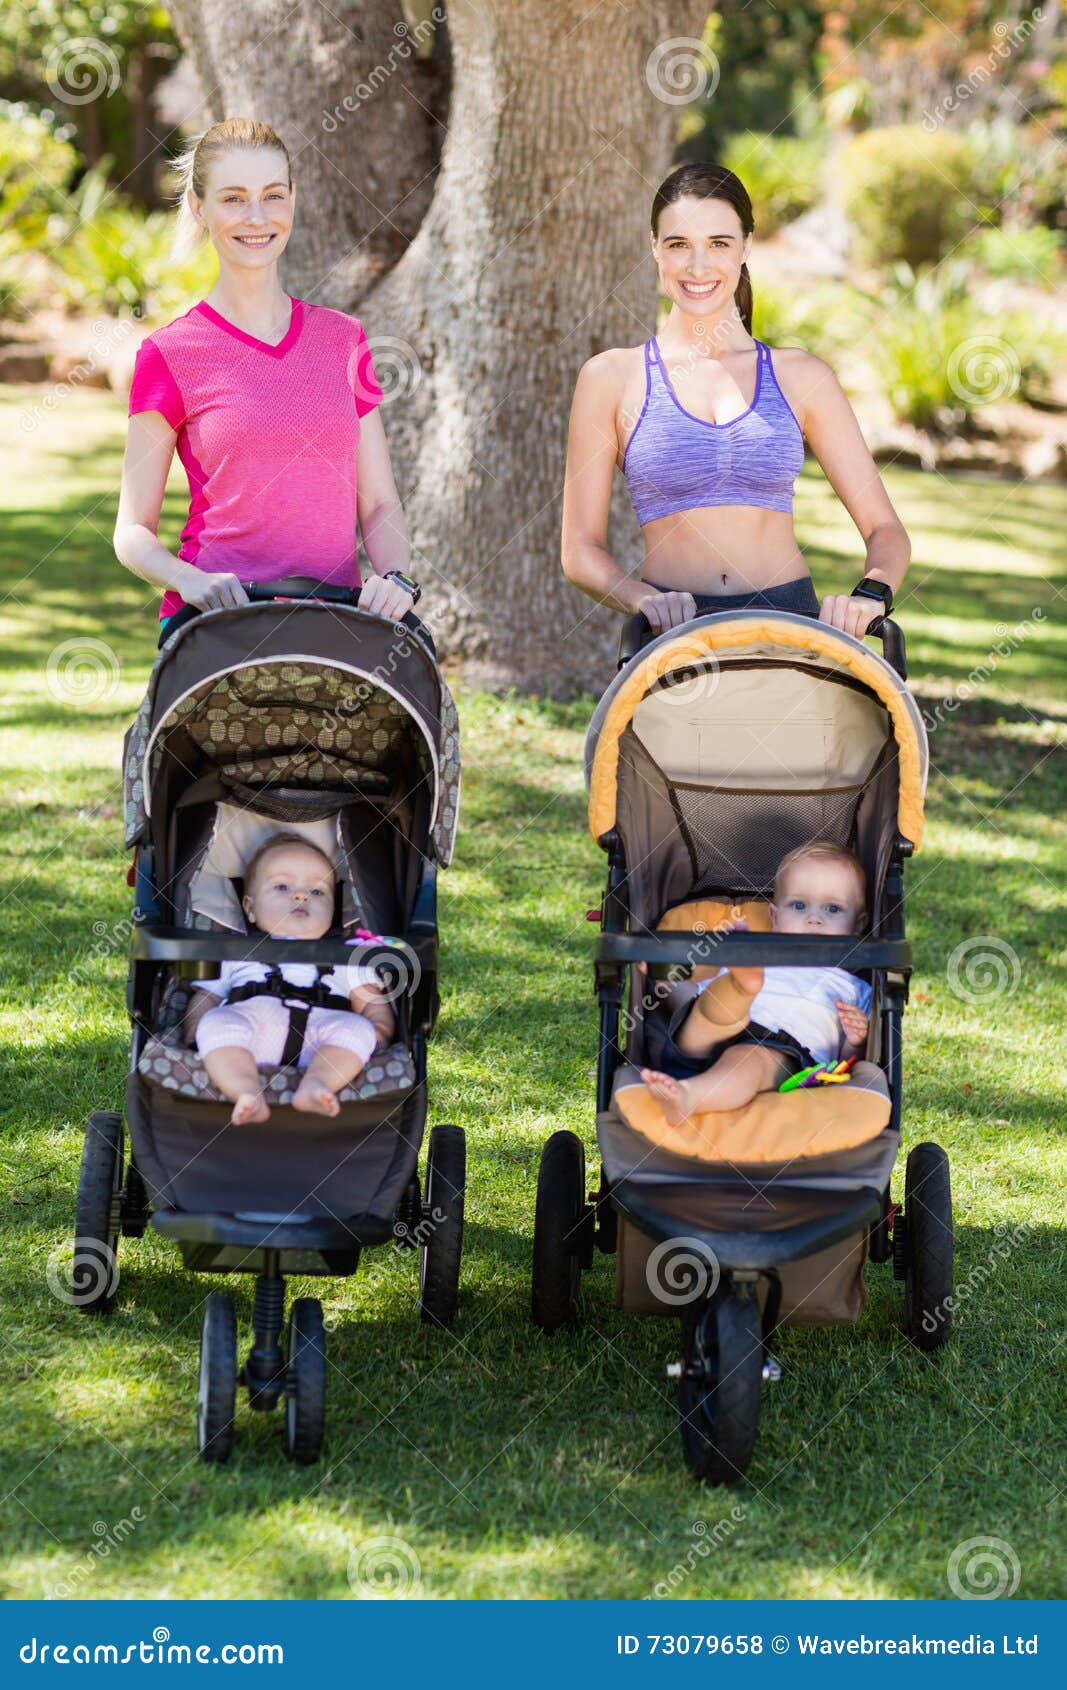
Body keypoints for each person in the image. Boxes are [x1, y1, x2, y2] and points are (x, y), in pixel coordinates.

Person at [112, 116, 425, 651]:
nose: (256, 217)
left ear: (293, 201)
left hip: (336, 619)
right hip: (218, 626)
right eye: (233, 198)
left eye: (272, 195)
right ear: (198, 207)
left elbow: (377, 503)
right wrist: (191, 582)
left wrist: (394, 578)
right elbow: (131, 532)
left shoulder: (344, 339)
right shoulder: (168, 354)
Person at [561, 161, 909, 639]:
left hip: (790, 622)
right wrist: (640, 598)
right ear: (654, 248)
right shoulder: (610, 377)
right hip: (675, 632)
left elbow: (885, 530)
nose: (698, 266)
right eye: (679, 244)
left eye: (718, 244)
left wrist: (871, 594)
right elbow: (579, 550)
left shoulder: (801, 376)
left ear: (746, 246)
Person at [639, 841, 872, 1127]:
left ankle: (687, 1095)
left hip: (784, 1053)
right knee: (706, 1006)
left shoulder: (855, 988)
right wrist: (660, 973)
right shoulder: (759, 957)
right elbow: (690, 996)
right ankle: (740, 987)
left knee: (748, 1057)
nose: (814, 918)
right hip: (707, 1037)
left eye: (833, 909)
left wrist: (856, 1040)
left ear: (858, 925)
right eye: (798, 905)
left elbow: (849, 1063)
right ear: (774, 916)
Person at [182, 832, 396, 1126]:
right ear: (250, 908)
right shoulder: (237, 951)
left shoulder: (347, 955)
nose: (300, 895)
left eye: (318, 892)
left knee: (357, 1029)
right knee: (215, 1024)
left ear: (334, 909)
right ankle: (246, 1090)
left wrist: (379, 1034)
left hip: (322, 1043)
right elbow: (206, 998)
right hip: (248, 1035)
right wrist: (195, 1030)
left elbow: (371, 1004)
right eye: (282, 886)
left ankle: (316, 1085)